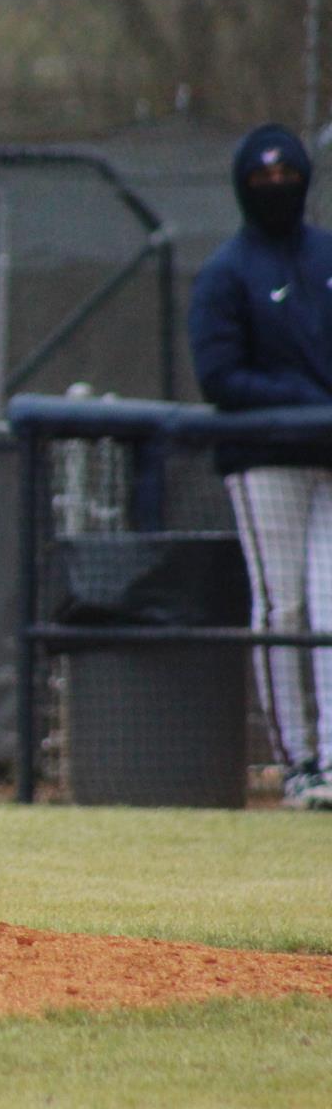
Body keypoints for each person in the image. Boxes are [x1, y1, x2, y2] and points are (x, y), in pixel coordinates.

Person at [188, 123, 332, 812]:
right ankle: (297, 761)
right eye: (261, 180)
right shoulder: (226, 271)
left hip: (331, 462)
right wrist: (305, 402)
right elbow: (220, 374)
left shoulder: (327, 256)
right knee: (284, 605)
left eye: (288, 176)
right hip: (266, 462)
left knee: (330, 604)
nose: (278, 188)